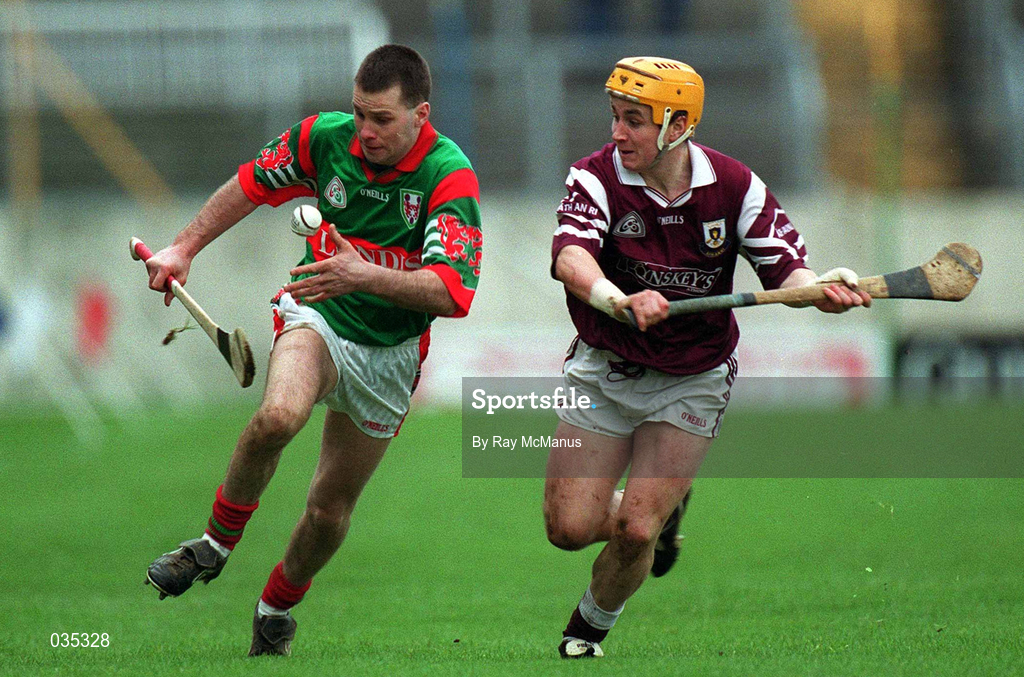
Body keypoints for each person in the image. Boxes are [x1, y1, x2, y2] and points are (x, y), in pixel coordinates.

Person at [142, 44, 482, 657]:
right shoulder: (322, 139)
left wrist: (363, 275)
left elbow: (453, 292)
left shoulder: (447, 175)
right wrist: (183, 248)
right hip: (317, 315)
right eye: (360, 113)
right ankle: (212, 547)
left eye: (382, 119)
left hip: (391, 353)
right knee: (278, 416)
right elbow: (249, 183)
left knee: (328, 513)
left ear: (420, 115)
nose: (365, 131)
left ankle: (275, 609)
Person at [545, 56, 870, 659]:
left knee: (636, 529)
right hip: (606, 366)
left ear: (677, 125)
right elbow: (571, 258)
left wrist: (821, 288)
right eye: (615, 117)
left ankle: (586, 634)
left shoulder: (735, 186)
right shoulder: (595, 177)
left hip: (693, 377)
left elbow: (789, 274)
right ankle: (661, 513)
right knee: (568, 528)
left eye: (634, 120)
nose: (618, 132)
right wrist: (618, 300)